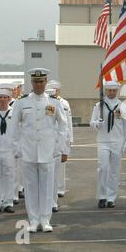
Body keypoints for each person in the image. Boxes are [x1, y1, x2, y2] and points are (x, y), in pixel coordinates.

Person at [11, 68, 68, 233]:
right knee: (30, 188)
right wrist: (17, 149)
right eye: (35, 82)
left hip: (48, 152)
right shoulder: (21, 102)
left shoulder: (54, 102)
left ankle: (45, 219)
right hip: (28, 151)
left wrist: (58, 147)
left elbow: (63, 126)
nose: (38, 85)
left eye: (41, 81)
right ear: (31, 83)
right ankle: (34, 220)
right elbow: (13, 128)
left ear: (46, 82)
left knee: (47, 187)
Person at [90, 81, 125, 209]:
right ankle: (101, 196)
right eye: (109, 90)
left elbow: (125, 125)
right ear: (105, 91)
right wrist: (97, 123)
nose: (111, 93)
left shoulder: (122, 106)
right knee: (103, 168)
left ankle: (111, 198)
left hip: (117, 141)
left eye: (114, 90)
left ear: (117, 91)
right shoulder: (99, 106)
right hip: (103, 140)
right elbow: (91, 122)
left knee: (115, 170)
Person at [47, 80, 73, 208]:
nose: (54, 92)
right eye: (52, 90)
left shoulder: (64, 103)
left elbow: (68, 125)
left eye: (56, 89)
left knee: (58, 170)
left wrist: (69, 143)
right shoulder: (46, 104)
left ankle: (59, 190)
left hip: (60, 140)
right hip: (47, 142)